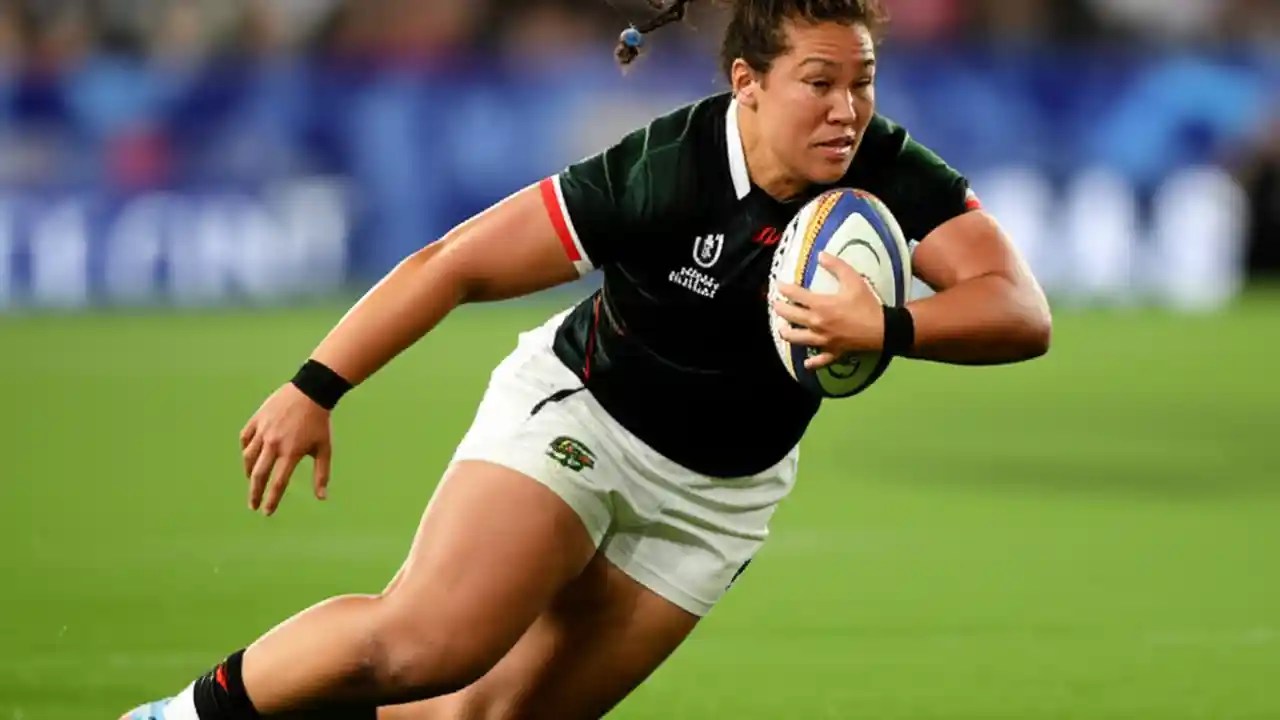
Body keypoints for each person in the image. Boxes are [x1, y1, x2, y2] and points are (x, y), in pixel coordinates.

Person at [122, 0, 1052, 717]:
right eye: (819, 81)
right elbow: (457, 264)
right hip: (584, 417)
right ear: (749, 82)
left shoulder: (886, 168)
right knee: (424, 645)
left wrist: (890, 330)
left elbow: (1020, 311)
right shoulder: (664, 171)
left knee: (487, 716)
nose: (847, 109)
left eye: (864, 80)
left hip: (722, 496)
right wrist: (314, 385)